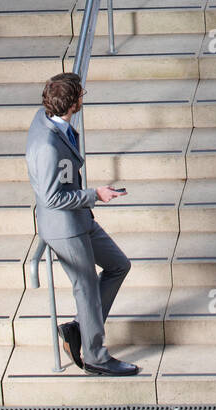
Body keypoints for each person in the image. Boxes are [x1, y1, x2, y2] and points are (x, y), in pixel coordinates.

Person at [26, 72, 138, 376]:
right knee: (86, 289)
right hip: (64, 228)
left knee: (119, 265)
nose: (82, 99)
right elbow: (51, 199)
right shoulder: (48, 146)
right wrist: (95, 195)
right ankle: (95, 357)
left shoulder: (46, 117)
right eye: (80, 95)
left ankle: (79, 327)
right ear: (73, 104)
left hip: (80, 219)